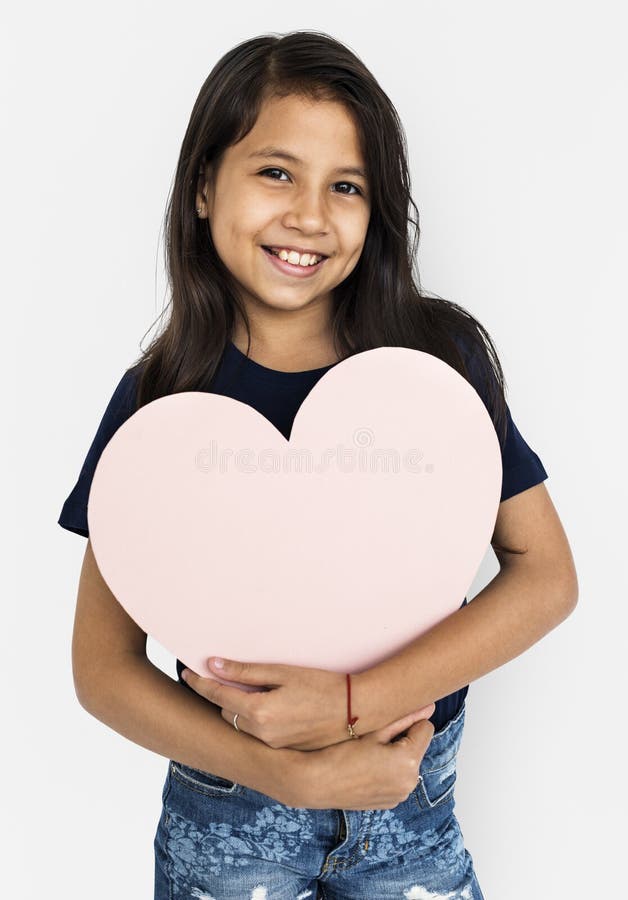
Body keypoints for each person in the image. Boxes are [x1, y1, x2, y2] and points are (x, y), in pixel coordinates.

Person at [57, 30, 578, 900]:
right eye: (275, 172)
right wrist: (289, 774)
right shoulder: (161, 402)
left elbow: (547, 577)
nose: (309, 214)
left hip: (410, 812)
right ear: (200, 187)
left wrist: (351, 705)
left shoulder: (435, 366)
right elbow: (102, 669)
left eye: (346, 186)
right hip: (229, 821)